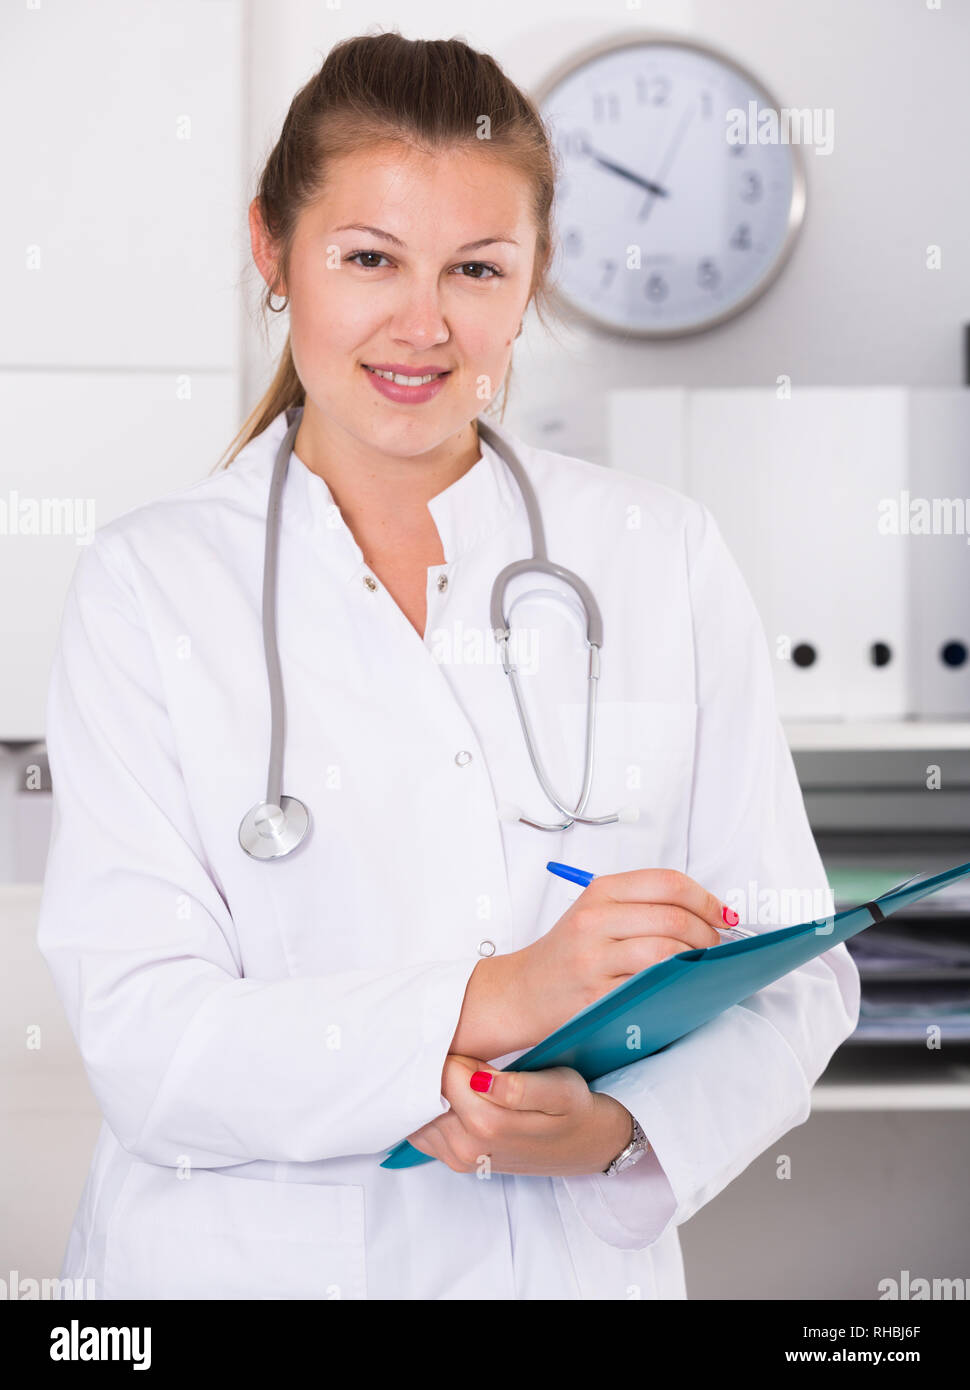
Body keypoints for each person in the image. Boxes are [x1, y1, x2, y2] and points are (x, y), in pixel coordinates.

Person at [36, 31, 859, 1301]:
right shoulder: (147, 588)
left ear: (531, 280)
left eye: (476, 269)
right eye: (368, 258)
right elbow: (148, 1042)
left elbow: (791, 976)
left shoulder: (660, 557)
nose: (422, 325)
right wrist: (503, 996)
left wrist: (620, 1136)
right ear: (272, 250)